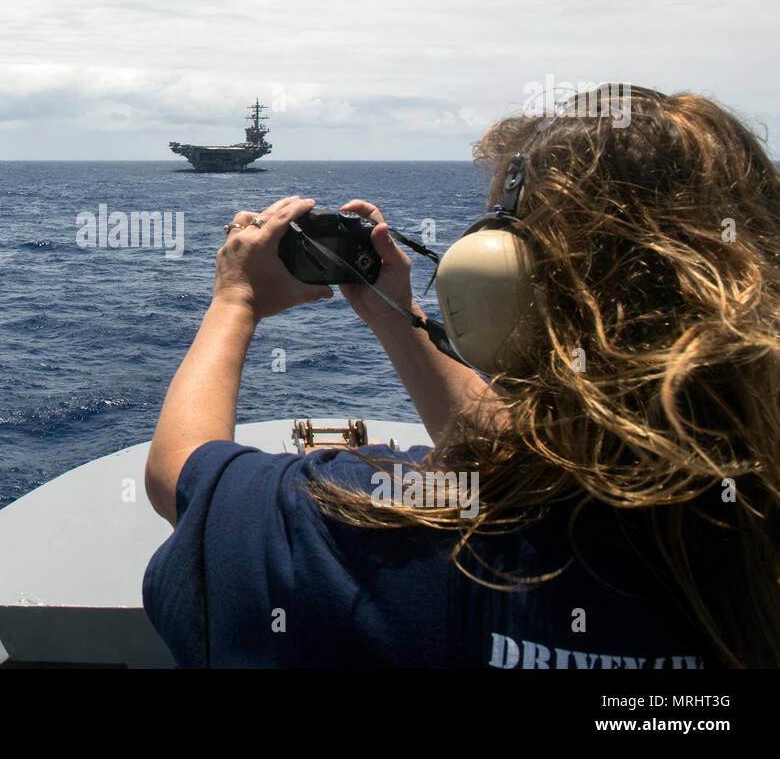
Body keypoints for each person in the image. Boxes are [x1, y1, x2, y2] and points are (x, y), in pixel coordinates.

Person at [142, 85, 780, 668]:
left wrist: (235, 301)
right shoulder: (745, 512)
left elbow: (187, 482)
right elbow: (552, 456)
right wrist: (398, 315)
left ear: (497, 281)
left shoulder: (382, 535)